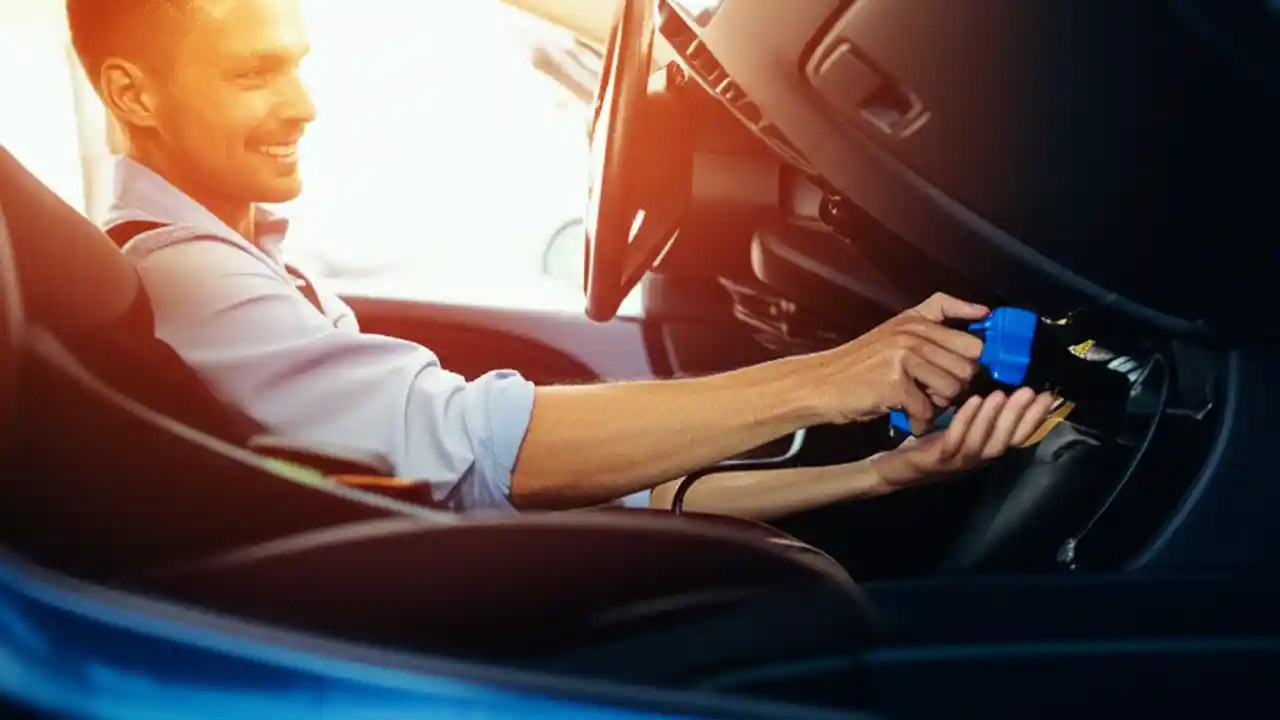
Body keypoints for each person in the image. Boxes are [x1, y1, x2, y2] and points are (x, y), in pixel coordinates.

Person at [67, 0, 1055, 519]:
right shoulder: (181, 277)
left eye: (296, 62)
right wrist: (827, 378)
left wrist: (877, 476)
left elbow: (506, 484)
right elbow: (464, 446)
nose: (304, 105)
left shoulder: (244, 261)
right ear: (134, 93)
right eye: (254, 71)